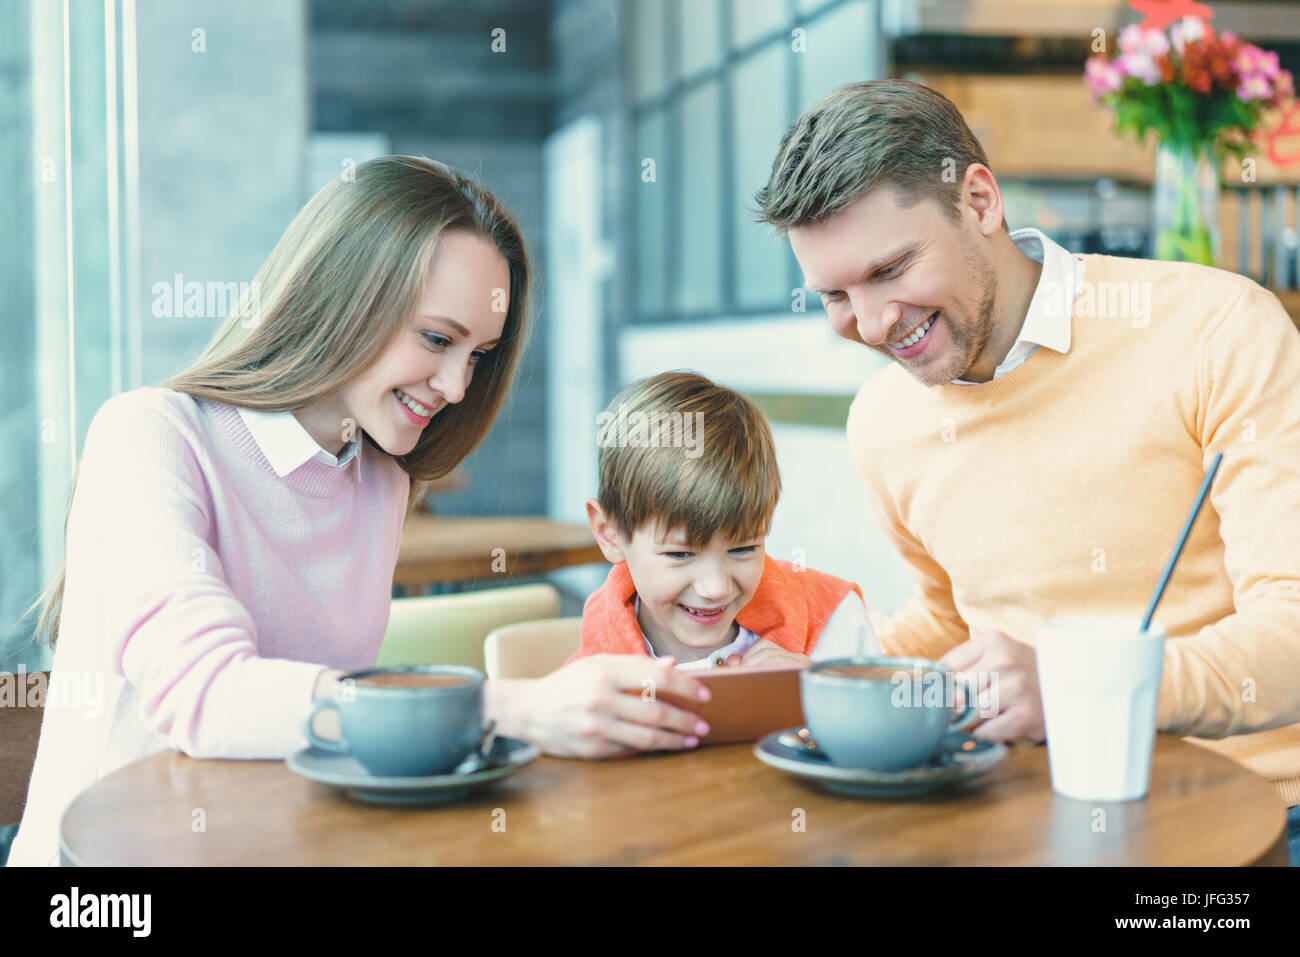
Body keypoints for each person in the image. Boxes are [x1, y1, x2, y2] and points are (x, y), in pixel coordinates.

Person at [9, 156, 705, 867]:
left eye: (478, 354)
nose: (458, 386)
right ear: (339, 294)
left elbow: (317, 738)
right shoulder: (150, 432)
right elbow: (206, 693)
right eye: (437, 339)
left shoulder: (381, 483)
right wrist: (510, 707)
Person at [756, 79, 1300, 864]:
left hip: (1254, 818)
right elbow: (951, 615)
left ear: (978, 201)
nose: (872, 325)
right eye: (836, 295)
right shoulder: (883, 420)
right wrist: (812, 672)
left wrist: (1083, 688)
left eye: (891, 269)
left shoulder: (1217, 329)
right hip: (1018, 812)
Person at [570, 372, 879, 671]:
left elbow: (886, 721)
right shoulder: (589, 685)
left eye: (742, 549)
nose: (715, 588)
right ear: (609, 534)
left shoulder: (834, 622)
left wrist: (818, 693)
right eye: (680, 554)